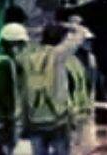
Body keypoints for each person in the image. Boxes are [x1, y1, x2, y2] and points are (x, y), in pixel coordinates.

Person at [23, 22, 87, 155]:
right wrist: (70, 25)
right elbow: (81, 34)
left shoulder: (30, 56)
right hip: (57, 119)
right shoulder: (59, 54)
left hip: (35, 118)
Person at [0, 24, 29, 155]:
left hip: (3, 119)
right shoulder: (5, 64)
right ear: (13, 45)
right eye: (20, 44)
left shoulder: (5, 62)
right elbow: (5, 94)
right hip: (5, 121)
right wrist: (11, 117)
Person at [65, 25, 97, 155]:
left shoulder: (91, 59)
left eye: (89, 40)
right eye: (85, 40)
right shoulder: (67, 60)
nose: (88, 43)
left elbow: (96, 80)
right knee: (73, 146)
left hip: (87, 109)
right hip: (72, 112)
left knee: (89, 145)